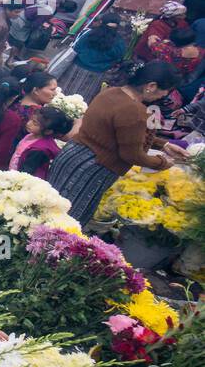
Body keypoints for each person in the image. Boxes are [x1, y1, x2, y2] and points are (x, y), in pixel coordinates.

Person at [50, 62, 186, 225]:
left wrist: (163, 145)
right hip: (91, 169)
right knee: (63, 221)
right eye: (165, 91)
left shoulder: (112, 92)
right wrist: (163, 162)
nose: (164, 96)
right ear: (151, 86)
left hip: (72, 156)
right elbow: (132, 155)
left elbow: (119, 132)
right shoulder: (134, 111)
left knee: (48, 208)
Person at [58, 12, 125, 102]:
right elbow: (118, 58)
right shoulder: (119, 42)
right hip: (96, 75)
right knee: (81, 101)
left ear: (101, 21)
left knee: (62, 95)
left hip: (75, 69)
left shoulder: (88, 34)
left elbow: (76, 48)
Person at [10, 106, 73, 180]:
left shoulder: (40, 150)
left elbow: (26, 172)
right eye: (31, 119)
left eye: (35, 123)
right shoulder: (32, 135)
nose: (29, 123)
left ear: (48, 131)